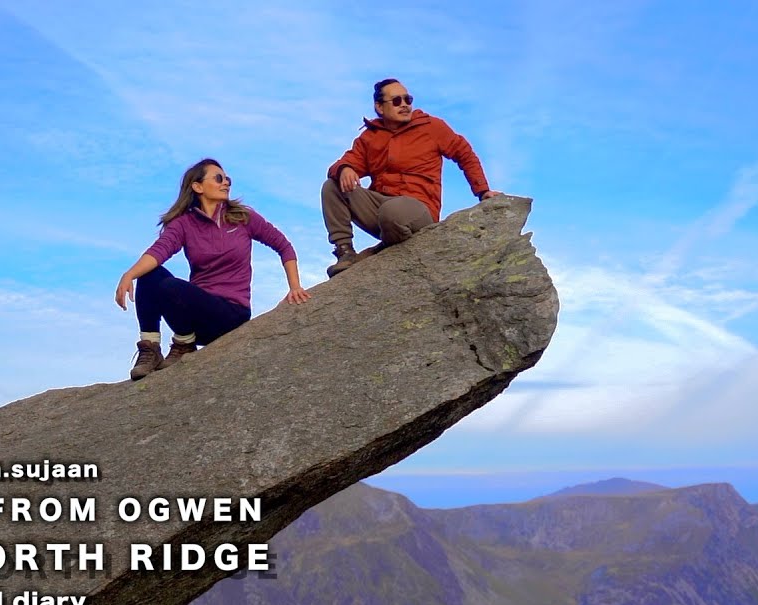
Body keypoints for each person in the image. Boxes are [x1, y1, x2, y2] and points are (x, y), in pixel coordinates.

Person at [114, 158, 310, 380]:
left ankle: (183, 344)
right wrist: (129, 274)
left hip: (231, 314)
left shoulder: (242, 217)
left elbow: (283, 246)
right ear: (197, 187)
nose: (225, 183)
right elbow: (159, 251)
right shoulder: (184, 224)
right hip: (198, 314)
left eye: (227, 179)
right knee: (148, 274)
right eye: (218, 178)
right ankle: (151, 348)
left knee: (171, 287)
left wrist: (295, 287)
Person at [321, 78, 504, 277]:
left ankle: (386, 248)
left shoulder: (431, 126)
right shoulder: (370, 137)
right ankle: (345, 253)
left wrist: (482, 191)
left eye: (407, 99)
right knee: (332, 186)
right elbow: (344, 162)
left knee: (393, 211)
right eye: (396, 101)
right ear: (380, 107)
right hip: (381, 209)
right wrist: (345, 168)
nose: (405, 105)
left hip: (418, 208)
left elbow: (464, 154)